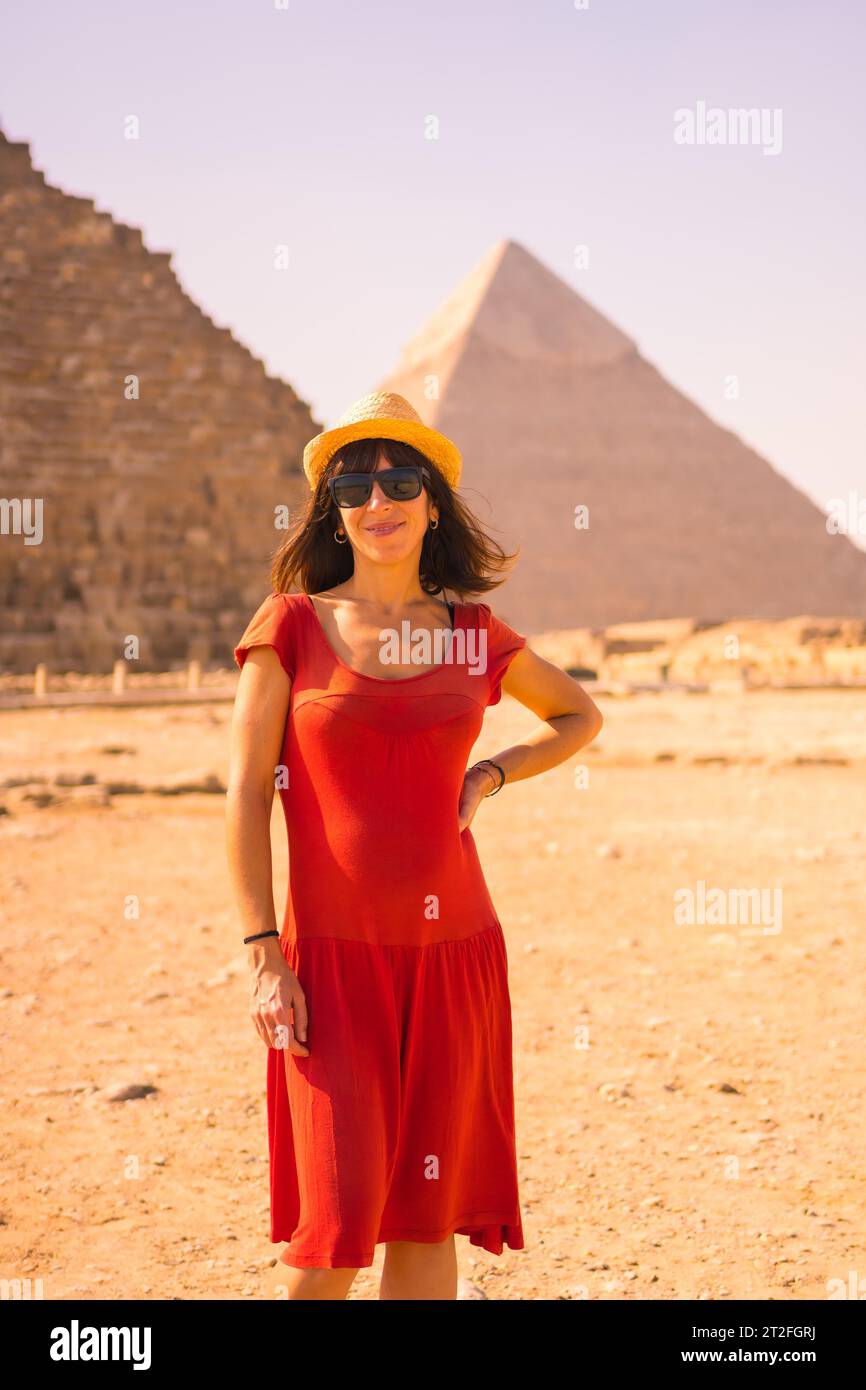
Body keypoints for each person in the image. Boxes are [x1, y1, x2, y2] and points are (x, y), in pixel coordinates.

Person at [226, 391, 604, 1300]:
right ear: (334, 512)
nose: (378, 500)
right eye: (354, 486)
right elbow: (244, 797)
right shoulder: (290, 626)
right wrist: (263, 955)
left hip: (452, 958)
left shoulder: (475, 637)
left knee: (426, 1226)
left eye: (401, 480)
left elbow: (579, 715)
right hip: (330, 968)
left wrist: (495, 771)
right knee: (335, 1236)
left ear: (433, 502)